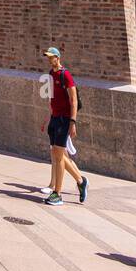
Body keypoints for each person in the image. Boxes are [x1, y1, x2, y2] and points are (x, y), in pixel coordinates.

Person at [41, 46, 88, 206]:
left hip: (64, 119)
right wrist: (48, 118)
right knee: (56, 154)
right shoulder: (50, 74)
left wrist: (73, 122)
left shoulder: (65, 74)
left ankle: (57, 194)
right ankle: (81, 181)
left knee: (59, 155)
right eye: (48, 57)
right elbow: (50, 98)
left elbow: (74, 100)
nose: (49, 60)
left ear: (58, 57)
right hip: (54, 118)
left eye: (51, 57)